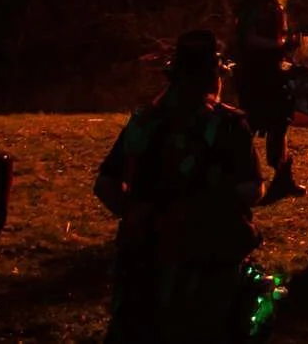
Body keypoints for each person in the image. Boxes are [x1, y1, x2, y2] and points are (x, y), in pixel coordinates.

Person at [94, 30, 262, 343]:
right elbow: (252, 188)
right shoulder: (229, 125)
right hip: (209, 264)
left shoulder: (144, 122)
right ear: (214, 77)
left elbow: (105, 183)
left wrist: (135, 214)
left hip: (144, 264)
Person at [233, 0, 306, 205]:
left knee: (278, 124)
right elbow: (248, 39)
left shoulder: (272, 6)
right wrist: (279, 46)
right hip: (257, 74)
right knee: (251, 124)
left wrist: (287, 45)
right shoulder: (256, 7)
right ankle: (239, 173)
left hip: (271, 71)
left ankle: (282, 177)